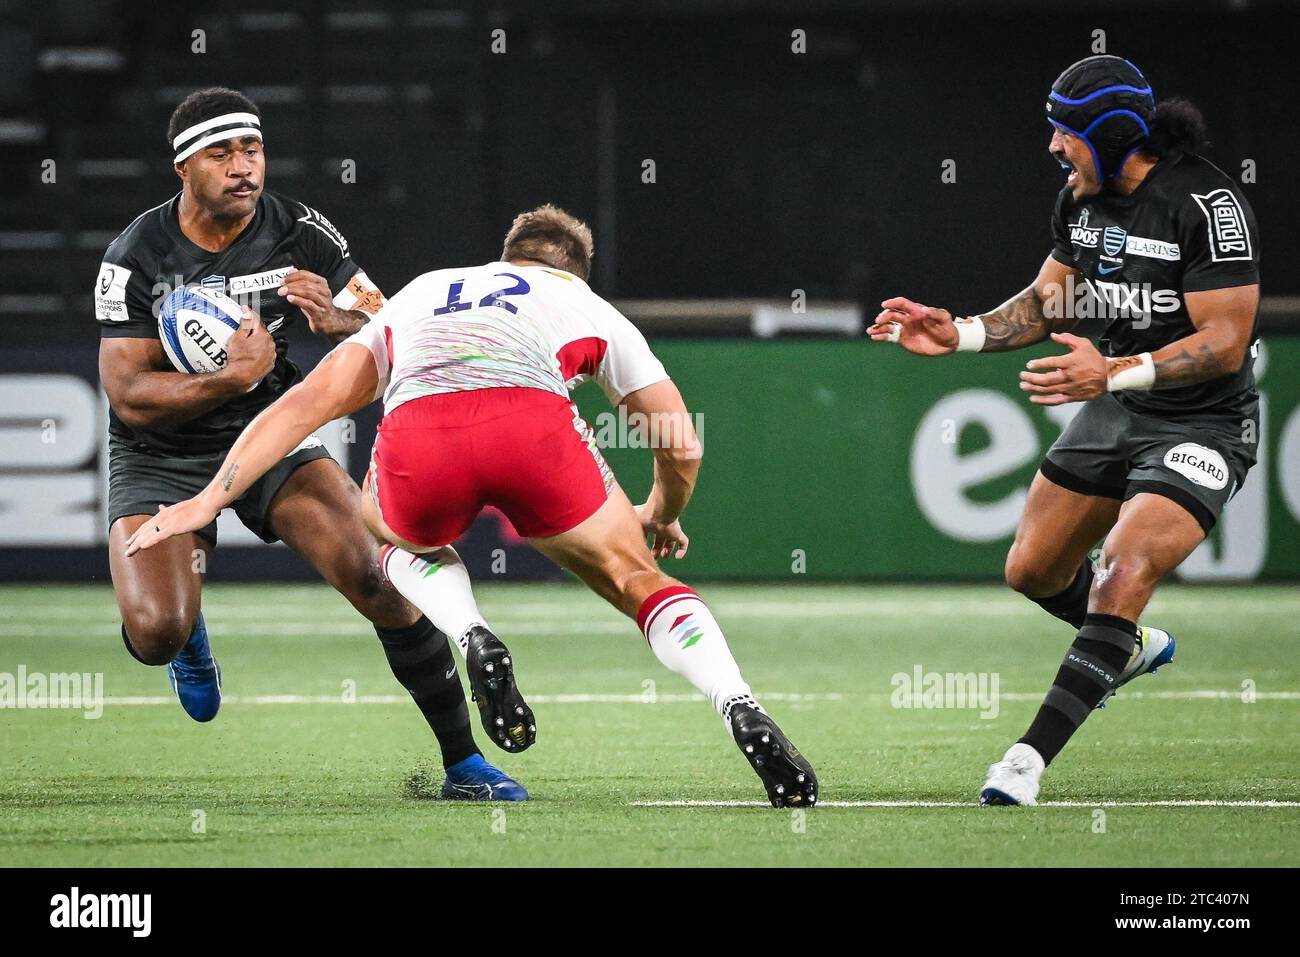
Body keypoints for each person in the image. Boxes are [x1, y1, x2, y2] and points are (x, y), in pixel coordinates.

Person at [125, 205, 819, 808]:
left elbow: (304, 405)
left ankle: (472, 633)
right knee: (637, 580)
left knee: (392, 539)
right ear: (575, 271)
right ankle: (737, 702)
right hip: (534, 430)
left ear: (506, 257)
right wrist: (661, 510)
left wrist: (208, 500)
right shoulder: (586, 304)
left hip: (422, 438)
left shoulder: (423, 292)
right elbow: (679, 439)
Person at [98, 86, 525, 800]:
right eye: (221, 153)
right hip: (159, 454)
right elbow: (127, 394)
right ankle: (185, 629)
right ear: (184, 168)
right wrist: (230, 378)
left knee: (379, 579)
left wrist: (340, 323)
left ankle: (463, 762)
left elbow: (392, 325)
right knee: (155, 632)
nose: (243, 167)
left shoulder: (298, 229)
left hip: (272, 436)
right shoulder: (136, 254)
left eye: (253, 149)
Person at [869, 56, 1260, 805]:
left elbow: (1225, 341)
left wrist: (1112, 372)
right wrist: (962, 333)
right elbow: (1049, 303)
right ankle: (1126, 647)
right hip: (1117, 406)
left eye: (1066, 132)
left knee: (1122, 569)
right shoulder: (1079, 203)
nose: (1053, 145)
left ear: (1112, 135)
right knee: (1032, 570)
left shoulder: (1207, 204)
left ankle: (1025, 761)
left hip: (1204, 422)